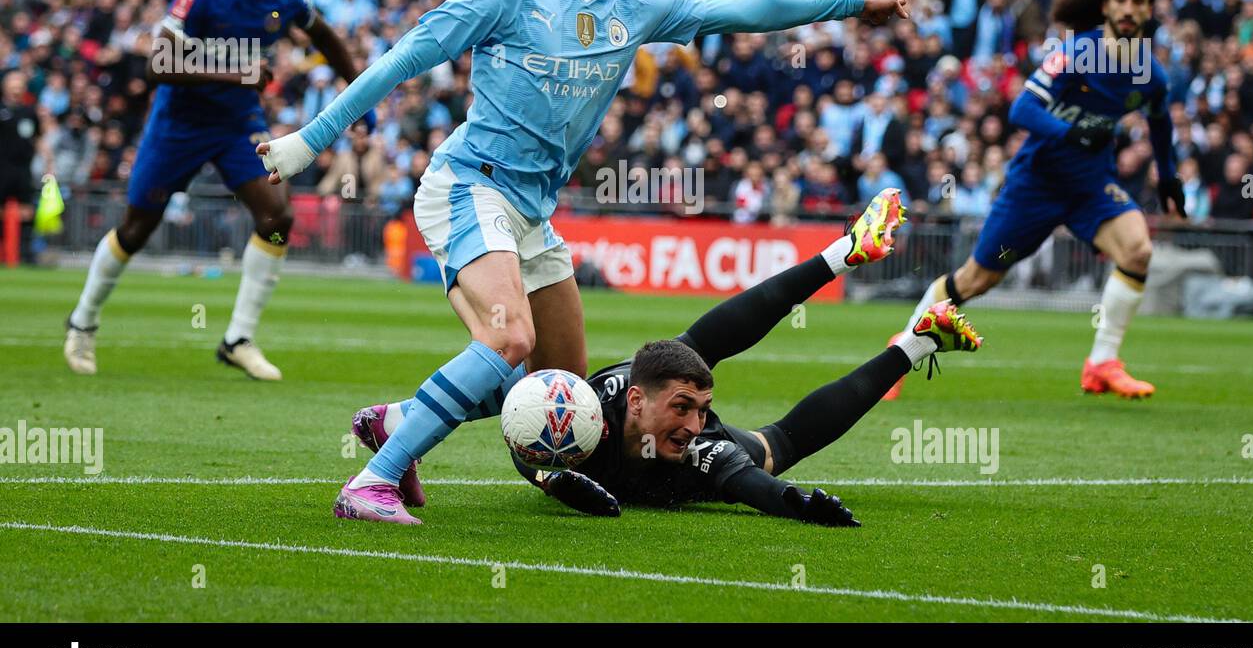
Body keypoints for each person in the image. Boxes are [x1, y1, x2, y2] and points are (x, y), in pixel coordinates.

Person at [256, 0, 911, 521]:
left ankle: (398, 419)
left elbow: (744, 10)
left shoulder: (636, 3)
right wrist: (311, 139)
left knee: (570, 395)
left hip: (533, 214)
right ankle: (371, 481)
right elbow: (405, 57)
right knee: (508, 340)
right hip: (469, 185)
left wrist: (856, 3)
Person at [345, 189, 978, 526]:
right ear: (634, 403)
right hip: (631, 411)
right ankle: (917, 336)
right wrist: (555, 480)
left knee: (766, 444)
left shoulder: (697, 442)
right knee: (712, 383)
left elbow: (758, 487)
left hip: (654, 431)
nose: (698, 425)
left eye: (701, 411)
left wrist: (796, 504)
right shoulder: (582, 412)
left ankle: (889, 311)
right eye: (686, 410)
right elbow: (526, 444)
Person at [63, 0, 358, 380]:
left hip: (237, 125)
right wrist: (237, 72)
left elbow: (322, 35)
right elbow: (157, 63)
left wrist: (358, 90)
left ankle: (238, 338)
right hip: (178, 125)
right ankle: (82, 321)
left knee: (277, 217)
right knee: (136, 229)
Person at [898, 0, 1186, 400]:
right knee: (975, 281)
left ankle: (1102, 363)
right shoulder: (1075, 53)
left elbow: (1161, 122)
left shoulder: (1151, 73)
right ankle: (901, 353)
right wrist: (1073, 131)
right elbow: (1022, 110)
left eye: (1139, 1)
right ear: (1106, 6)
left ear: (1149, 11)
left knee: (1138, 249)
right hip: (1036, 186)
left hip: (1091, 187)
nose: (1129, 8)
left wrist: (1168, 177)